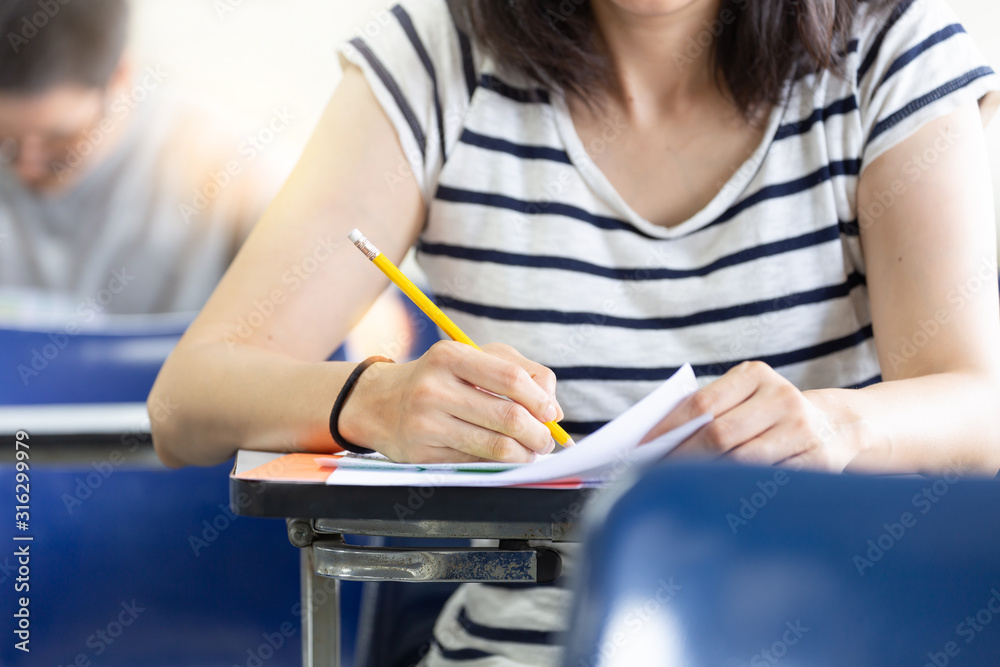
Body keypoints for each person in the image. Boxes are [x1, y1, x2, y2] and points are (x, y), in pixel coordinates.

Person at [149, 0, 1000, 663]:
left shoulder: (888, 49)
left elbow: (980, 407)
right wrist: (377, 398)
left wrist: (839, 425)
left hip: (830, 638)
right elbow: (187, 402)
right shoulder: (439, 56)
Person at [0, 0, 280, 315]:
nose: (27, 166)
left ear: (120, 76)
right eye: (4, 140)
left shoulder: (230, 171)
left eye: (59, 141)